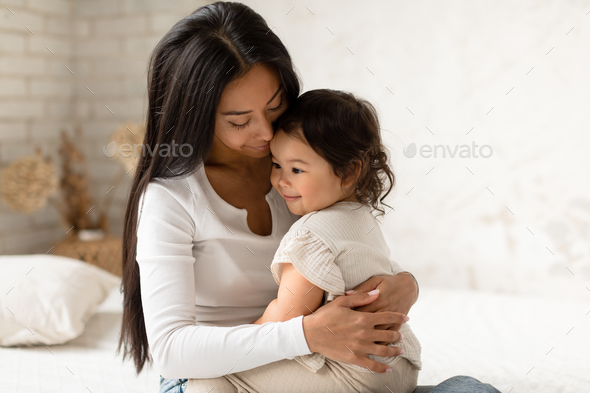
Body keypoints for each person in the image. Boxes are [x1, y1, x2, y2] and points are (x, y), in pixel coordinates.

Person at [116, 2, 500, 393]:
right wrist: (307, 333)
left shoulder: (297, 164)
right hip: (214, 373)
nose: (265, 132)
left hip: (313, 362)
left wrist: (405, 285)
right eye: (239, 121)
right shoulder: (171, 198)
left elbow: (346, 247)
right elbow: (170, 351)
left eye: (275, 106)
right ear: (196, 116)